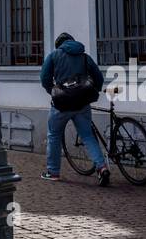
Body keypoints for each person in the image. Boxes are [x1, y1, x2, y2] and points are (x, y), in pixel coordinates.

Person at [39, 31, 110, 185]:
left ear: (60, 45)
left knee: (54, 135)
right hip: (82, 104)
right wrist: (93, 92)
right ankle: (102, 167)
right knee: (88, 136)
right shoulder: (84, 56)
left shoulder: (53, 56)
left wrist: (52, 90)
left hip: (61, 104)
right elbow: (98, 77)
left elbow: (44, 78)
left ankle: (53, 172)